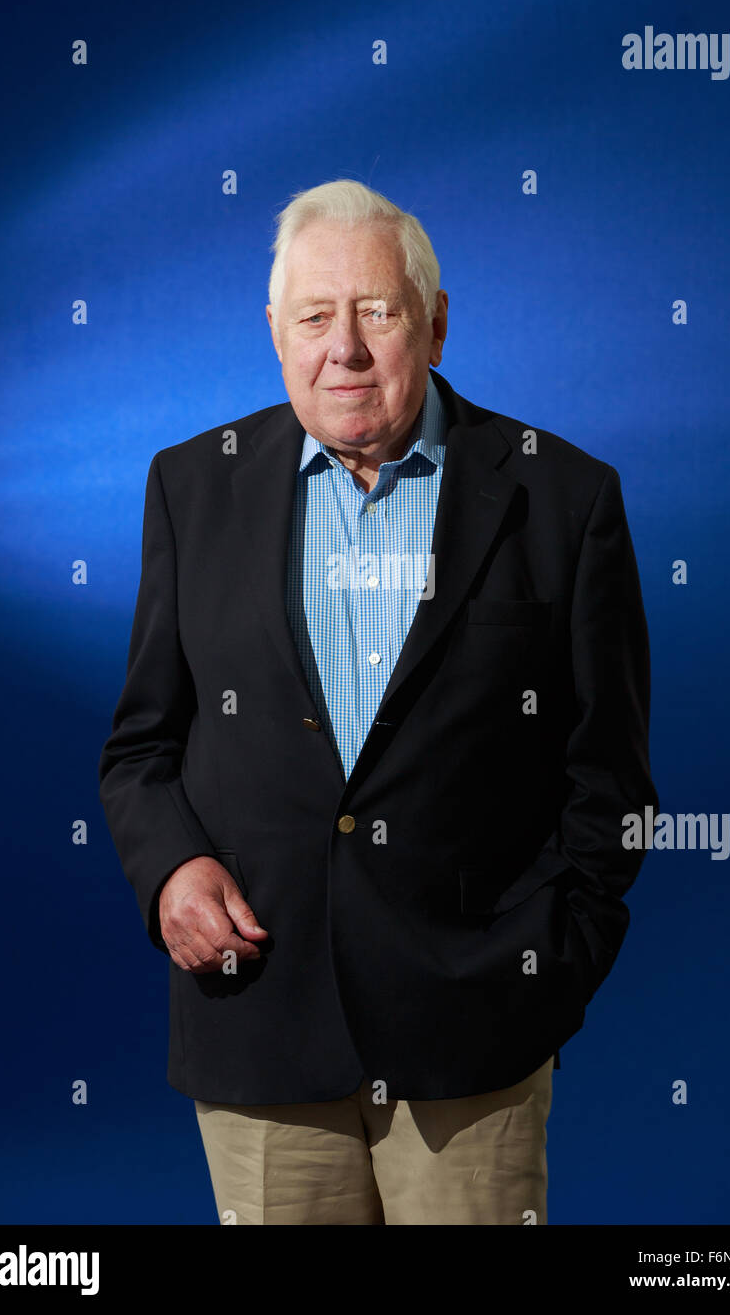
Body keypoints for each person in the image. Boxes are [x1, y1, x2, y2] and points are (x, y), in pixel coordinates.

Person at [99, 178, 658, 1225]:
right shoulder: (190, 487)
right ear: (274, 332)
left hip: (472, 1051)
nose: (342, 349)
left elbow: (611, 781)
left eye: (377, 312)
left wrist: (545, 975)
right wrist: (170, 866)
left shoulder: (564, 499)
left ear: (436, 325)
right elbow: (141, 746)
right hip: (259, 1029)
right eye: (313, 316)